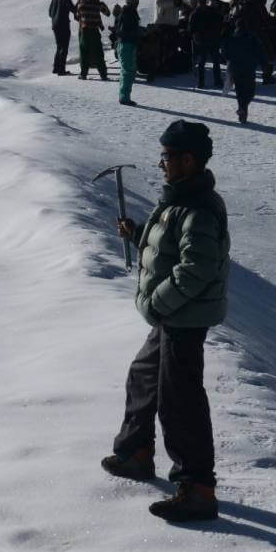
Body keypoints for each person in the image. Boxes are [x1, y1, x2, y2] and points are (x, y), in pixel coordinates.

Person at [101, 120, 229, 523]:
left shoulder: (198, 209)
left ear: (187, 160)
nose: (161, 163)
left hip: (182, 318)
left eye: (167, 156)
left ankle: (198, 489)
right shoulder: (179, 201)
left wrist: (157, 304)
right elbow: (170, 249)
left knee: (181, 401)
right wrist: (139, 234)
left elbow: (197, 268)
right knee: (143, 376)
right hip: (173, 316)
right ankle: (136, 453)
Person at [224, 18, 260, 123]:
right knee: (250, 91)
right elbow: (259, 51)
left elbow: (225, 53)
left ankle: (242, 109)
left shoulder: (231, 38)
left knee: (240, 91)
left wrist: (230, 60)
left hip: (236, 69)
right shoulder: (252, 37)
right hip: (249, 68)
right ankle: (243, 109)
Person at [188, 0, 225, 90]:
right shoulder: (212, 11)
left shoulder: (195, 13)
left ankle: (201, 82)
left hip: (202, 41)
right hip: (213, 40)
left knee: (202, 62)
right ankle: (217, 81)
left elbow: (191, 28)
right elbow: (221, 22)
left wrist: (194, 36)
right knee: (215, 61)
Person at [76, 0, 111, 81]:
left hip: (91, 30)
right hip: (86, 30)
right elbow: (77, 14)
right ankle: (86, 74)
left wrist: (102, 7)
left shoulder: (95, 0)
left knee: (96, 53)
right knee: (88, 53)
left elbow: (107, 13)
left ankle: (101, 74)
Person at [116, 0, 144, 106]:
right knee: (129, 71)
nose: (137, 4)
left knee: (126, 71)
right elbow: (124, 31)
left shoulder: (126, 12)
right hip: (127, 44)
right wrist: (137, 33)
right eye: (136, 1)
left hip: (126, 44)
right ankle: (124, 97)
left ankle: (124, 96)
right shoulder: (128, 13)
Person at [48, 0, 75, 75]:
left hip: (55, 26)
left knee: (59, 46)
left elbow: (50, 13)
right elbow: (73, 9)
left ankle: (56, 68)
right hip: (64, 25)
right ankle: (61, 70)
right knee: (64, 47)